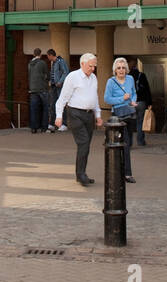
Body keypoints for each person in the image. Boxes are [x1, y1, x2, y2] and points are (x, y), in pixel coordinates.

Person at [55, 52, 103, 185]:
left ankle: (81, 173)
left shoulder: (93, 78)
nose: (93, 69)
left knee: (86, 145)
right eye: (90, 66)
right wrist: (59, 116)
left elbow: (95, 98)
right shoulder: (73, 77)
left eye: (94, 66)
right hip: (75, 114)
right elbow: (62, 98)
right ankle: (81, 175)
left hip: (89, 115)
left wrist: (98, 115)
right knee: (83, 143)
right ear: (82, 64)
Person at [104, 56, 137, 183]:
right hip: (118, 115)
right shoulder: (111, 82)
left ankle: (125, 172)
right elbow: (107, 99)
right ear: (115, 70)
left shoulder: (130, 79)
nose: (121, 70)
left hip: (130, 112)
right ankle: (126, 173)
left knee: (127, 144)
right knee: (124, 144)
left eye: (123, 68)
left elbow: (134, 93)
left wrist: (133, 100)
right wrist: (121, 99)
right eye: (119, 68)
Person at [129, 57, 152, 145]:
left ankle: (129, 142)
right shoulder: (141, 75)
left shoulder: (127, 76)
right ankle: (140, 141)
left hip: (131, 102)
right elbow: (147, 89)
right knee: (140, 121)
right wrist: (149, 102)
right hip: (141, 101)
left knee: (130, 122)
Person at [27, 48, 49, 133]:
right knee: (45, 107)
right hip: (42, 88)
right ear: (40, 54)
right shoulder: (42, 63)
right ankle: (44, 127)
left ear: (33, 54)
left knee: (34, 108)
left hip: (32, 89)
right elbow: (46, 75)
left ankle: (34, 127)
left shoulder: (29, 64)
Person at [47, 48, 68, 132]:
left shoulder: (60, 61)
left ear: (51, 55)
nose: (48, 58)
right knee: (53, 104)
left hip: (59, 86)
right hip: (53, 86)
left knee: (61, 104)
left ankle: (64, 124)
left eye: (48, 56)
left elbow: (65, 72)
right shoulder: (54, 63)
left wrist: (60, 81)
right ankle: (52, 124)